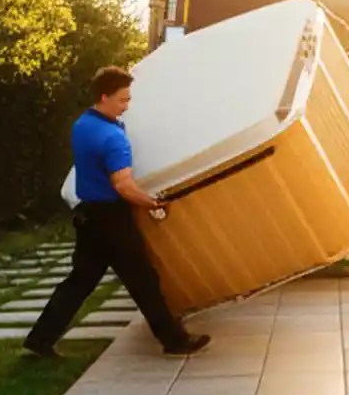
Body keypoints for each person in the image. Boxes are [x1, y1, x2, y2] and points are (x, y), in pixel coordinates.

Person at [23, 67, 210, 357]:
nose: (127, 106)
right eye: (122, 100)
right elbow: (123, 185)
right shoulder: (112, 138)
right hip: (112, 219)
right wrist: (151, 203)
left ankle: (40, 338)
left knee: (79, 282)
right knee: (143, 280)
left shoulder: (82, 125)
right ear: (104, 97)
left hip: (89, 218)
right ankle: (174, 340)